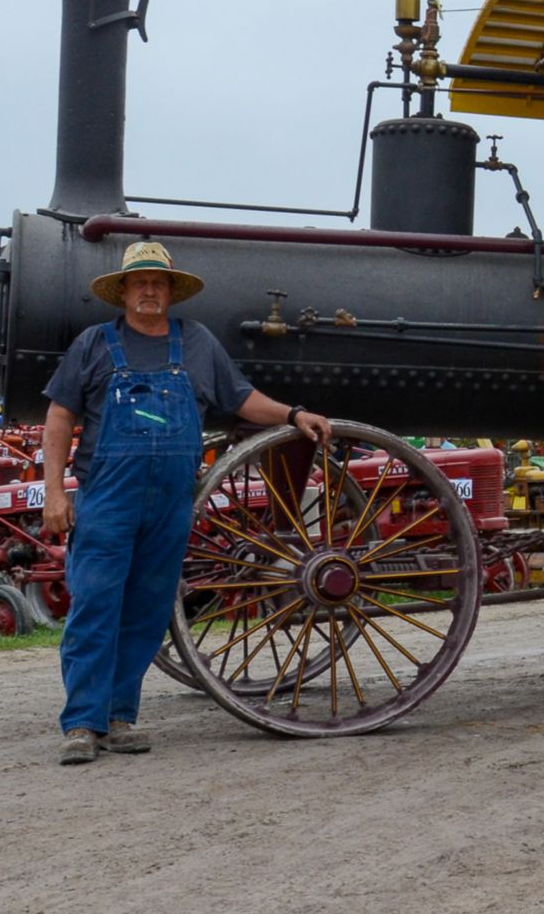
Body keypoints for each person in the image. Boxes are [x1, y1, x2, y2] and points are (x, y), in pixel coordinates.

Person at [41, 241, 332, 765]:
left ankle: (119, 718)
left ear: (171, 291)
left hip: (172, 503)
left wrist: (293, 415)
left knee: (147, 612)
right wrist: (55, 492)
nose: (149, 290)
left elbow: (241, 399)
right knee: (94, 606)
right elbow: (59, 419)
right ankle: (82, 723)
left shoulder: (195, 342)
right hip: (107, 499)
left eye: (158, 282)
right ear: (123, 291)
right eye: (139, 282)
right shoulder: (93, 345)